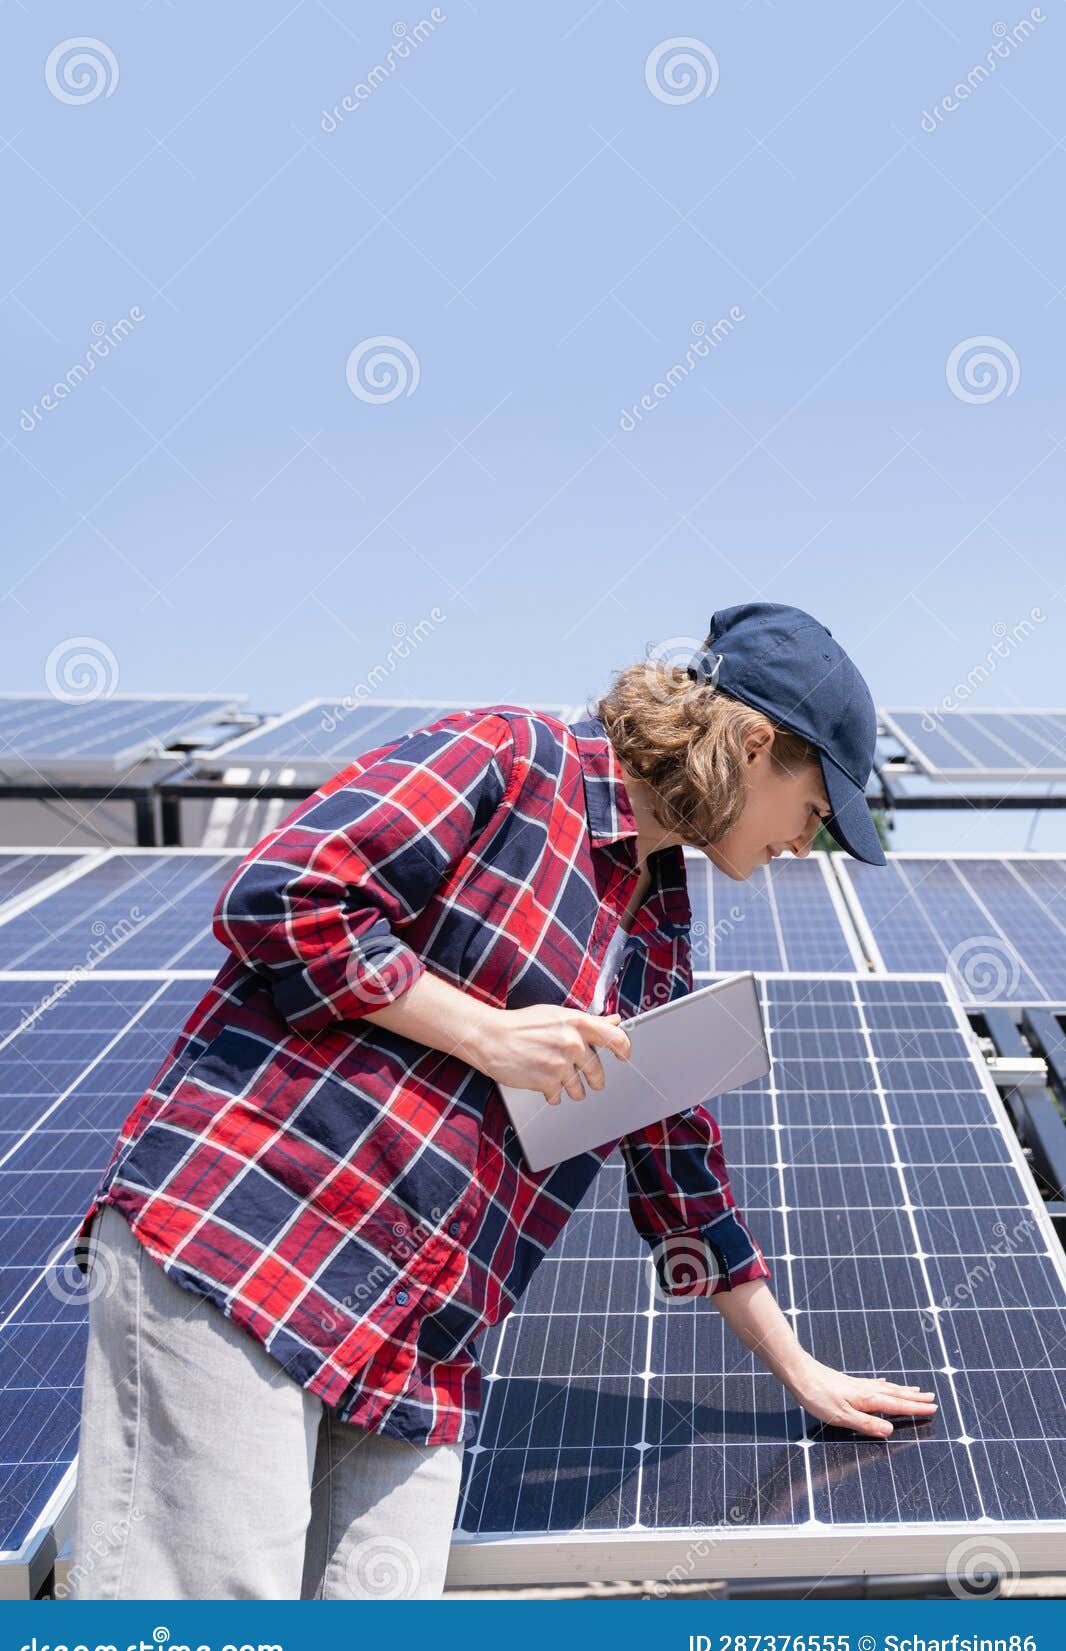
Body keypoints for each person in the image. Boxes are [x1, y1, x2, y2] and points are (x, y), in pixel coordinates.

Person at [68, 601, 937, 1600]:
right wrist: (483, 1031)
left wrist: (800, 1369)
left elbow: (679, 1173)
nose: (809, 840)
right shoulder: (513, 759)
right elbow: (285, 890)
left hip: (418, 1342)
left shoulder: (655, 928)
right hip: (257, 1254)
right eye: (816, 806)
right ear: (751, 743)